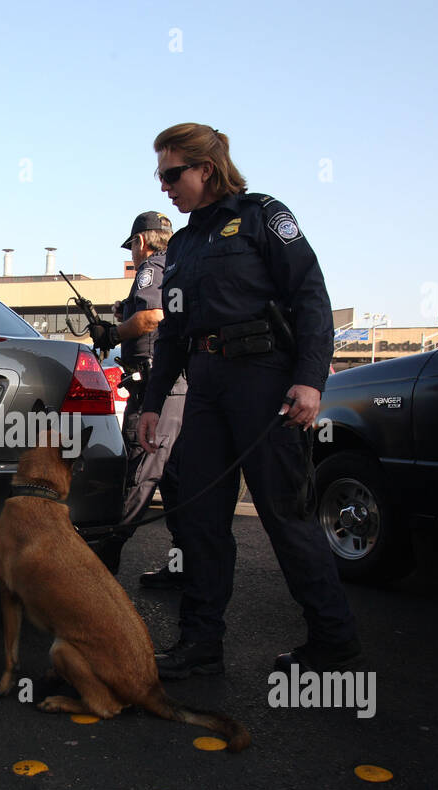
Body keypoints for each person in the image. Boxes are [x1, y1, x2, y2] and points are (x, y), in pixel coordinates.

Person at [136, 123, 359, 679]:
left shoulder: (262, 216)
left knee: (285, 515)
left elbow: (310, 296)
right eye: (159, 176)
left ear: (205, 169)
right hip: (206, 386)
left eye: (172, 174)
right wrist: (151, 403)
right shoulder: (182, 245)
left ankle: (333, 641)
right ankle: (200, 644)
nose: (165, 187)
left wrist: (311, 379)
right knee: (201, 518)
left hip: (263, 382)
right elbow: (171, 335)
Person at [88, 212, 190, 586]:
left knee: (141, 470)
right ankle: (185, 568)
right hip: (176, 388)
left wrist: (113, 333)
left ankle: (104, 558)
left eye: (131, 244)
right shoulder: (177, 266)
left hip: (155, 389)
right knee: (175, 480)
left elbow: (151, 317)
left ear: (142, 241)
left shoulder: (151, 268)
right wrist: (124, 313)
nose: (132, 252)